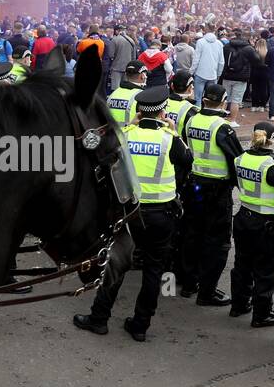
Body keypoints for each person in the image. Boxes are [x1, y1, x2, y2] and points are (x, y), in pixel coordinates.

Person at [73, 86, 192, 342]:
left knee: (116, 265)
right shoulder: (169, 139)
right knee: (153, 269)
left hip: (128, 212)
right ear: (163, 113)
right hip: (162, 213)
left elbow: (105, 161)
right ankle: (140, 325)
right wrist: (173, 131)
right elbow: (187, 162)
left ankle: (99, 318)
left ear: (139, 112)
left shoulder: (125, 134)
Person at [177, 84, 243, 306]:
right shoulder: (222, 128)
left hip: (194, 185)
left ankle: (188, 284)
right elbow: (237, 161)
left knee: (192, 234)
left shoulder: (192, 120)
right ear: (223, 102)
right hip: (217, 191)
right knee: (216, 242)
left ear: (204, 100)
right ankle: (207, 291)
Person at [229, 121, 274, 326]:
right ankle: (261, 314)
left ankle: (238, 305)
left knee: (242, 264)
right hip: (267, 223)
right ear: (271, 139)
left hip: (244, 217)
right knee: (265, 270)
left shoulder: (240, 159)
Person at [105, 59, 146, 128]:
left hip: (112, 136)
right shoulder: (142, 96)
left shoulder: (113, 94)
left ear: (126, 75)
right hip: (129, 136)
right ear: (142, 76)